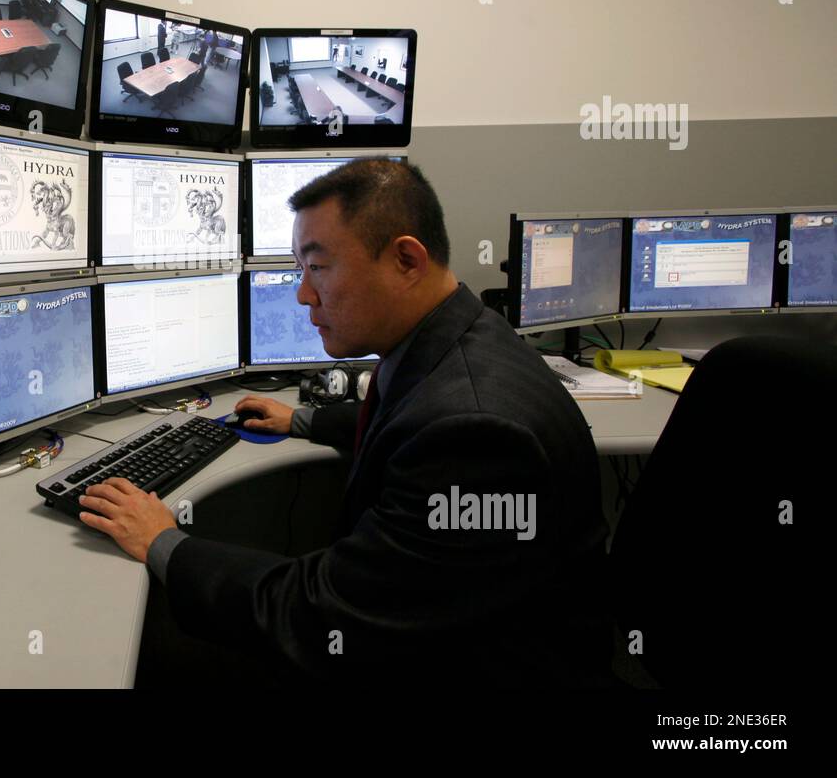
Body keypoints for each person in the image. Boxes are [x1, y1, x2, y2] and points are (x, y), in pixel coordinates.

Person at [77, 160, 613, 686]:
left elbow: (325, 616)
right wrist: (305, 420)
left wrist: (163, 542)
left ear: (406, 260)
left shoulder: (473, 435)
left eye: (318, 267)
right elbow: (407, 415)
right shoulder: (463, 338)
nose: (303, 294)